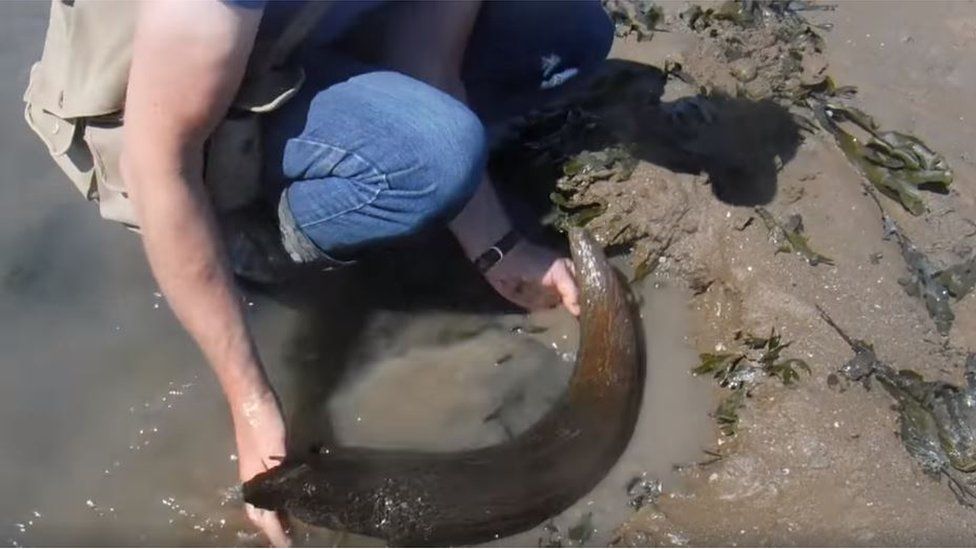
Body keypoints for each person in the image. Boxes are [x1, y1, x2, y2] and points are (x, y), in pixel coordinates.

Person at [28, 0, 613, 544]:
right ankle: (253, 244)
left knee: (562, 32)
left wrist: (497, 244)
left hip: (283, 50)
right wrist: (250, 404)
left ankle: (384, 162)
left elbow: (428, 59)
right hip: (157, 115)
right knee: (430, 155)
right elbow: (160, 164)